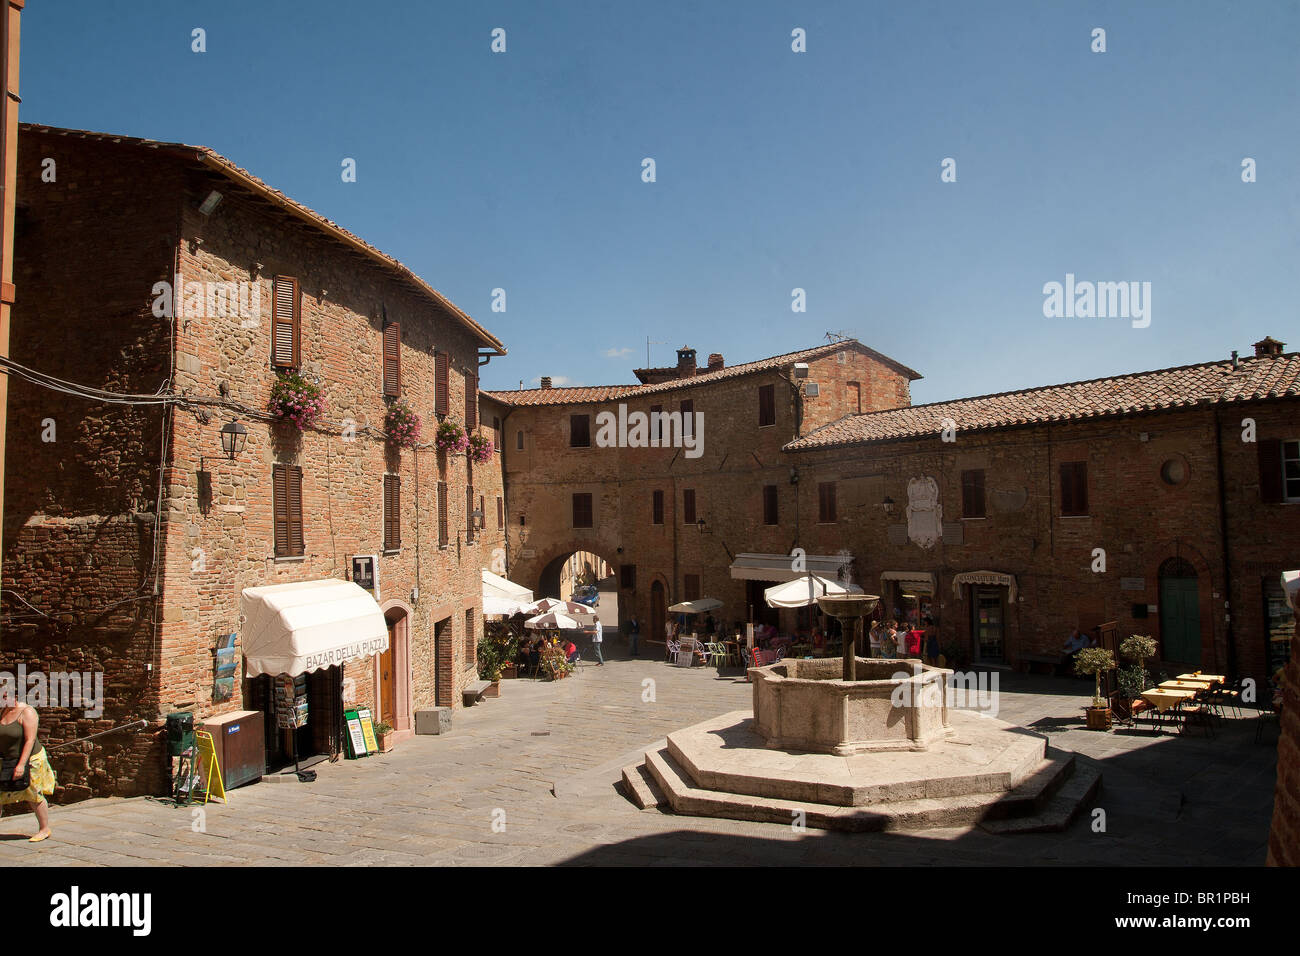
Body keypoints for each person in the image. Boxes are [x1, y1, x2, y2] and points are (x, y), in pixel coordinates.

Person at [0, 697, 55, 842]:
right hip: (7, 759)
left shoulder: (27, 712)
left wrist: (21, 765)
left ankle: (44, 829)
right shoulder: (2, 711)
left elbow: (29, 740)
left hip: (30, 759)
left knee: (33, 793)